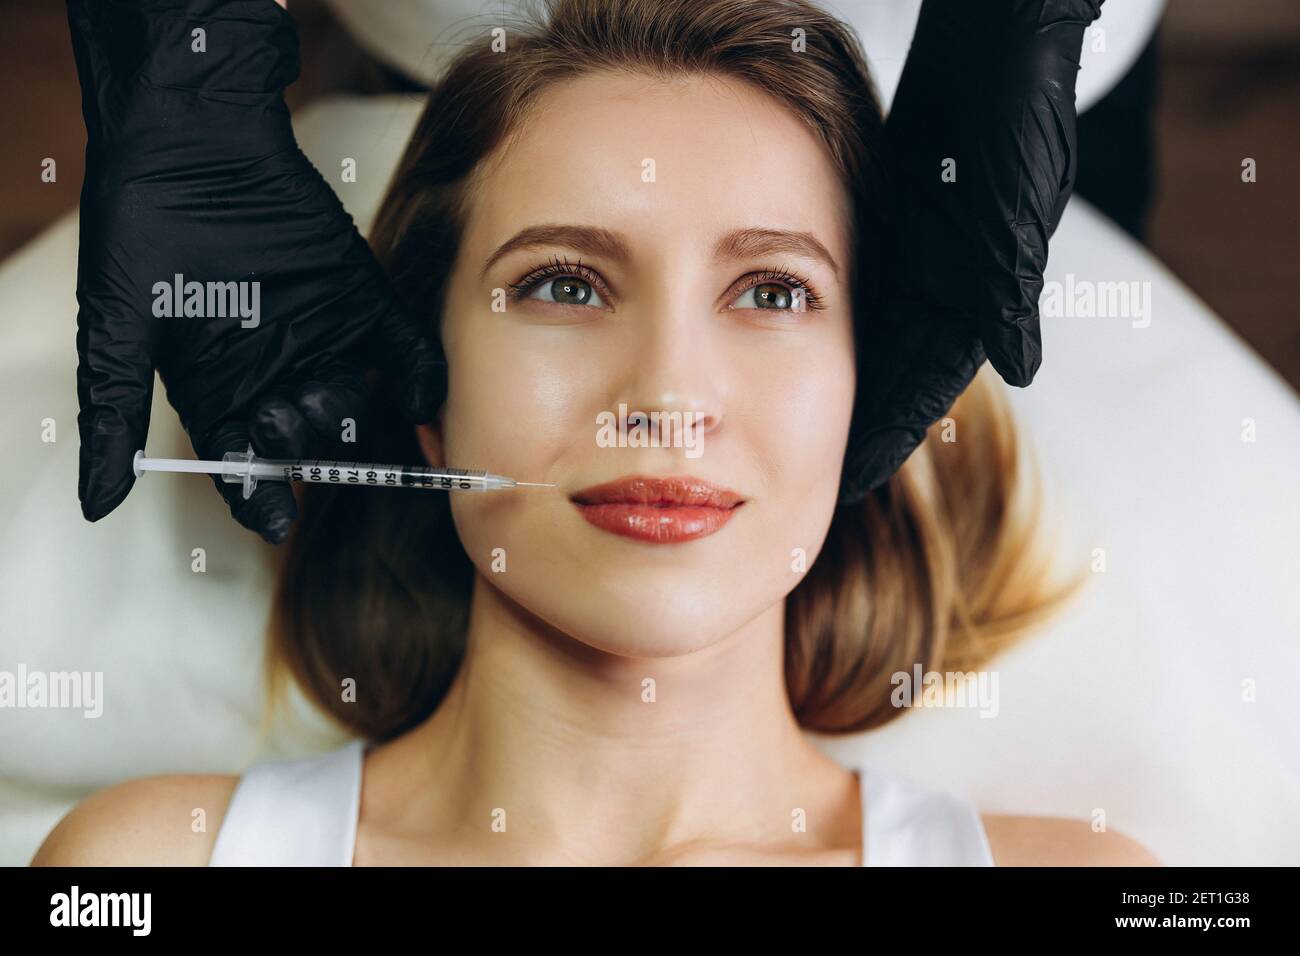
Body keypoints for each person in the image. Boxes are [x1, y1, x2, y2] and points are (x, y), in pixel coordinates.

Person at [37, 0, 1158, 865]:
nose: (667, 394)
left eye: (772, 291)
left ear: (874, 379)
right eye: (564, 286)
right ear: (418, 385)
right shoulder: (150, 862)